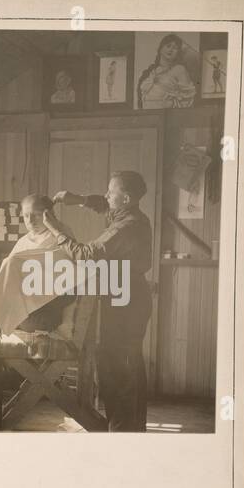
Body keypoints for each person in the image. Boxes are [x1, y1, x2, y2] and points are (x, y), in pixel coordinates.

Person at [43, 172, 154, 431]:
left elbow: (86, 254)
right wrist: (79, 199)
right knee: (126, 366)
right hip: (126, 296)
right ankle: (131, 431)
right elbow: (105, 205)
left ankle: (122, 434)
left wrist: (55, 230)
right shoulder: (128, 214)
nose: (106, 195)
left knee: (118, 370)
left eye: (111, 191)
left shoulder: (127, 226)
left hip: (126, 302)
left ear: (126, 198)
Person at [136, 33, 198, 109]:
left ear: (178, 53)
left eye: (175, 48)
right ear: (160, 49)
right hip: (147, 114)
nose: (171, 50)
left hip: (168, 114)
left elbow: (188, 98)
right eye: (168, 46)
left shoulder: (179, 69)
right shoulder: (149, 72)